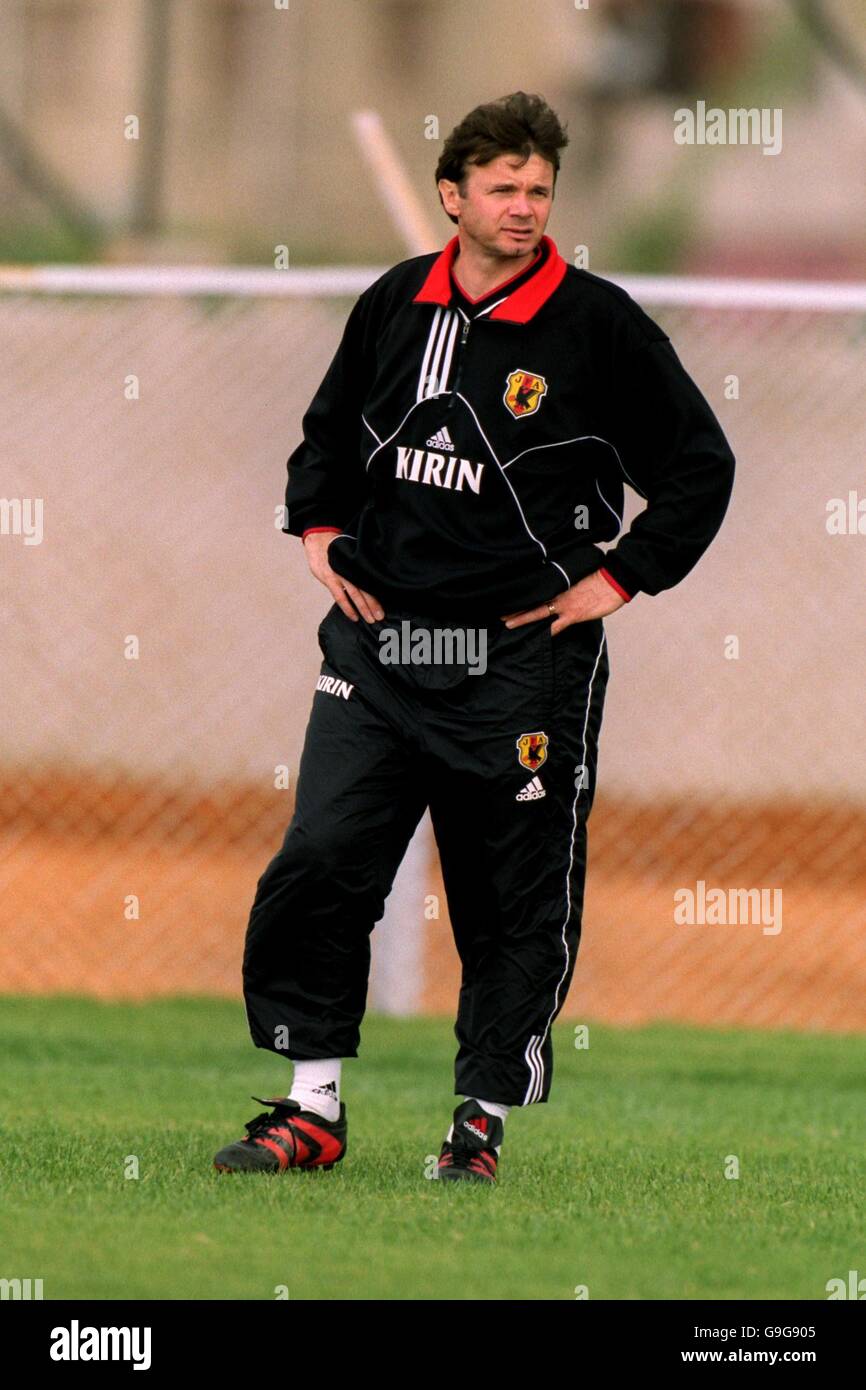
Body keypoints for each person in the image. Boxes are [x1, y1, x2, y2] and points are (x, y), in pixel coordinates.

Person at [213, 91, 735, 1184]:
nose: (523, 207)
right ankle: (310, 1109)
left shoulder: (596, 327)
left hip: (519, 665)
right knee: (318, 865)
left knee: (508, 902)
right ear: (451, 197)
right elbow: (326, 436)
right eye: (500, 189)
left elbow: (699, 468)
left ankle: (478, 1122)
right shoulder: (394, 304)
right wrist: (318, 525)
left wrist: (621, 578)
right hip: (379, 648)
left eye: (538, 189)